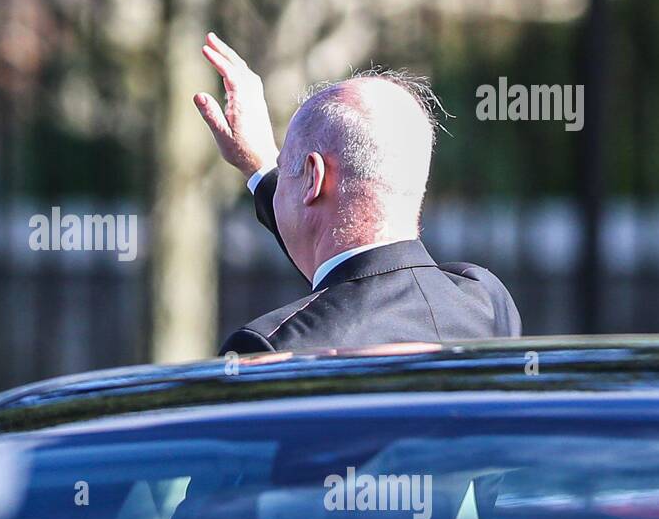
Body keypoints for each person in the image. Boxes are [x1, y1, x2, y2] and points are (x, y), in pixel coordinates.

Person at [194, 33, 520, 354]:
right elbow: (349, 267)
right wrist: (261, 166)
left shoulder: (275, 349)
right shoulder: (486, 304)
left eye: (285, 171)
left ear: (314, 178)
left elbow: (342, 282)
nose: (279, 185)